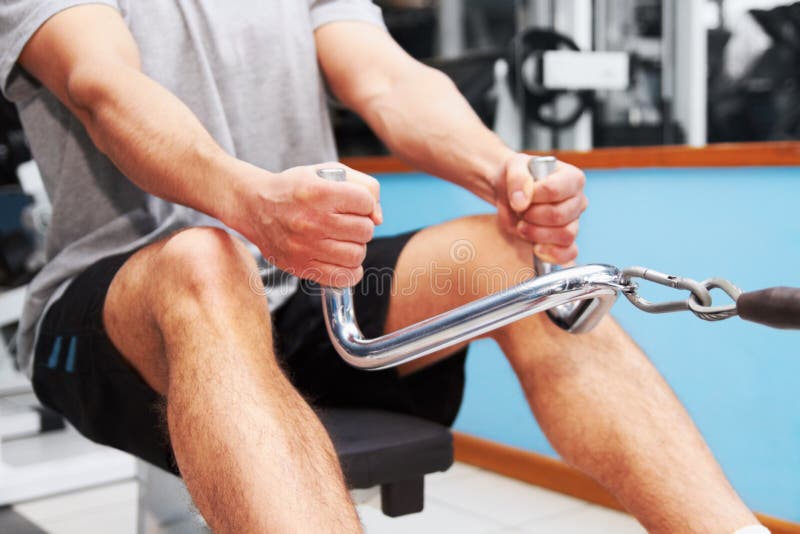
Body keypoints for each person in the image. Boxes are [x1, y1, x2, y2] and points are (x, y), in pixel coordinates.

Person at [0, 1, 766, 532]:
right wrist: (252, 203)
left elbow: (387, 80)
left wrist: (505, 173)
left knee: (504, 256)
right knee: (208, 258)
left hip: (303, 291)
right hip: (116, 301)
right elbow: (101, 86)